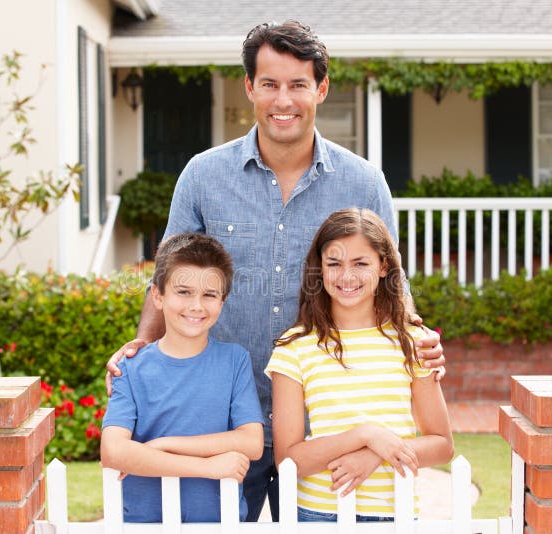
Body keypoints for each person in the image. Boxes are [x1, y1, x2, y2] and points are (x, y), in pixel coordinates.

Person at [106, 20, 446, 521]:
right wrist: (143, 348)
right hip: (222, 421)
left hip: (320, 429)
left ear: (321, 89)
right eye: (269, 84)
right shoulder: (202, 177)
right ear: (249, 87)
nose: (282, 100)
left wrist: (413, 336)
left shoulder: (364, 182)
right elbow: (170, 275)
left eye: (297, 85)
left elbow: (391, 282)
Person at [266, 208, 454, 521]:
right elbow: (289, 460)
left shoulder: (414, 341)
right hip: (318, 514)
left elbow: (442, 445)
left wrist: (374, 454)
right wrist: (363, 435)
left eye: (360, 263)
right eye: (334, 264)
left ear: (383, 266)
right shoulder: (295, 347)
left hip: (397, 515)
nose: (346, 276)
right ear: (320, 269)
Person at [100, 233, 264, 522]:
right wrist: (208, 467)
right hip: (146, 524)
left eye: (209, 295)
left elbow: (251, 442)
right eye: (184, 292)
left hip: (218, 523)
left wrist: (164, 444)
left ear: (222, 301)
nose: (196, 306)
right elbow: (113, 451)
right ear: (158, 295)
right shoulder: (131, 368)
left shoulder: (234, 361)